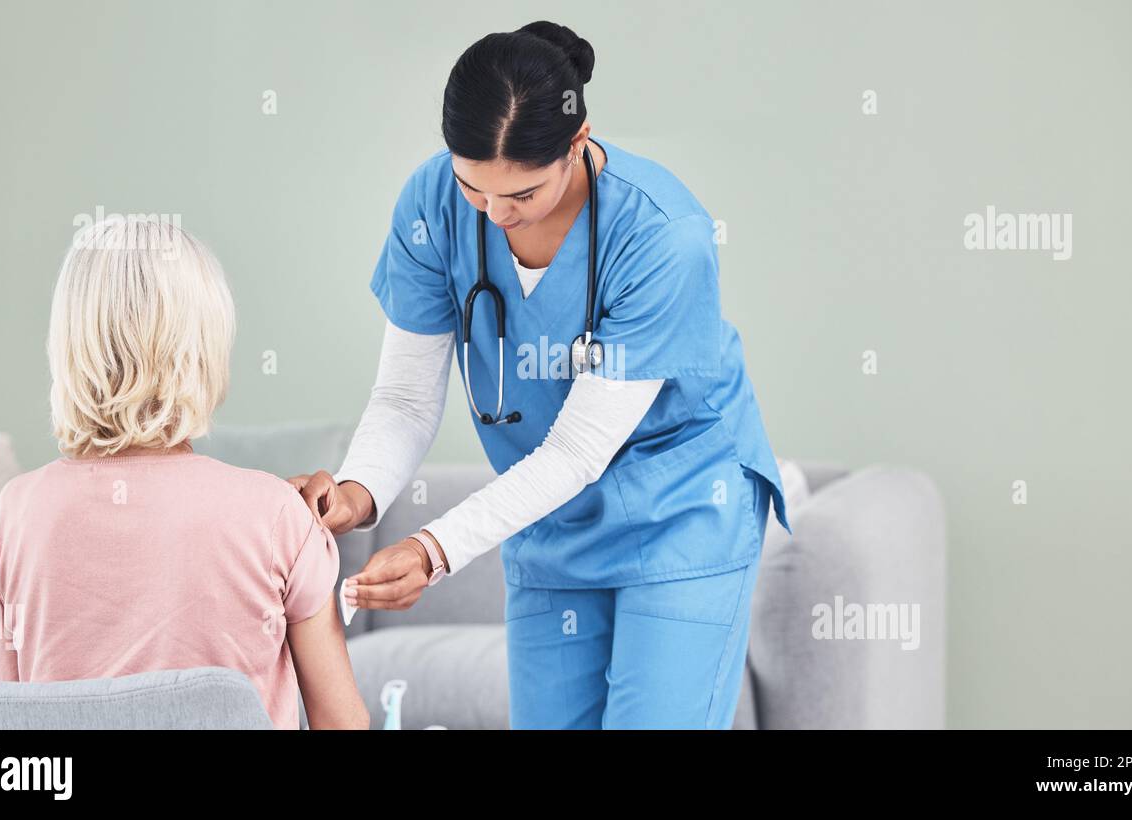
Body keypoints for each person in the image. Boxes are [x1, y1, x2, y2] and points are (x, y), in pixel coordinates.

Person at [289, 21, 791, 729]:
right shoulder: (432, 208)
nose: (495, 217)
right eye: (474, 187)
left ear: (577, 145)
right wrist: (357, 492)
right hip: (550, 519)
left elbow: (579, 450)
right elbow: (404, 396)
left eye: (521, 194)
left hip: (681, 511)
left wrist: (435, 550)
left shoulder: (660, 236)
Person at [0, 216, 368, 729]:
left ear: (69, 347)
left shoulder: (15, 512)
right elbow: (343, 723)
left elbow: (15, 722)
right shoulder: (276, 515)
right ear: (204, 349)